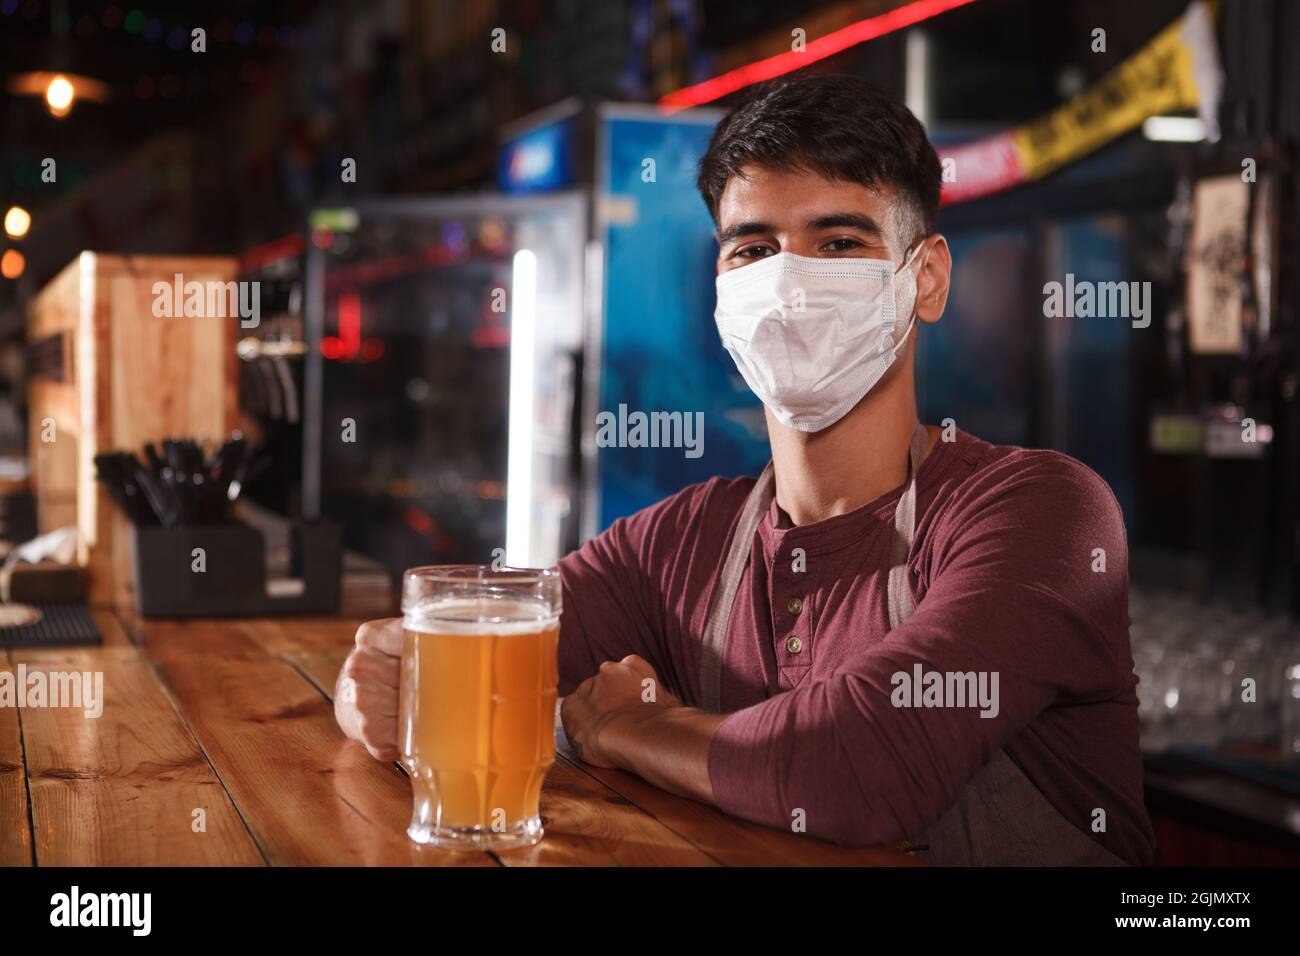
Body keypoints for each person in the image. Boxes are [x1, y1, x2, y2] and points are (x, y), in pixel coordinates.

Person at [334, 73, 1155, 866]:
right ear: (722, 293)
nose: (790, 284)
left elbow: (862, 768)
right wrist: (381, 674)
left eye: (838, 243)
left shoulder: (1043, 513)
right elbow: (460, 665)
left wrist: (630, 728)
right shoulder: (676, 544)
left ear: (926, 279)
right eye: (754, 249)